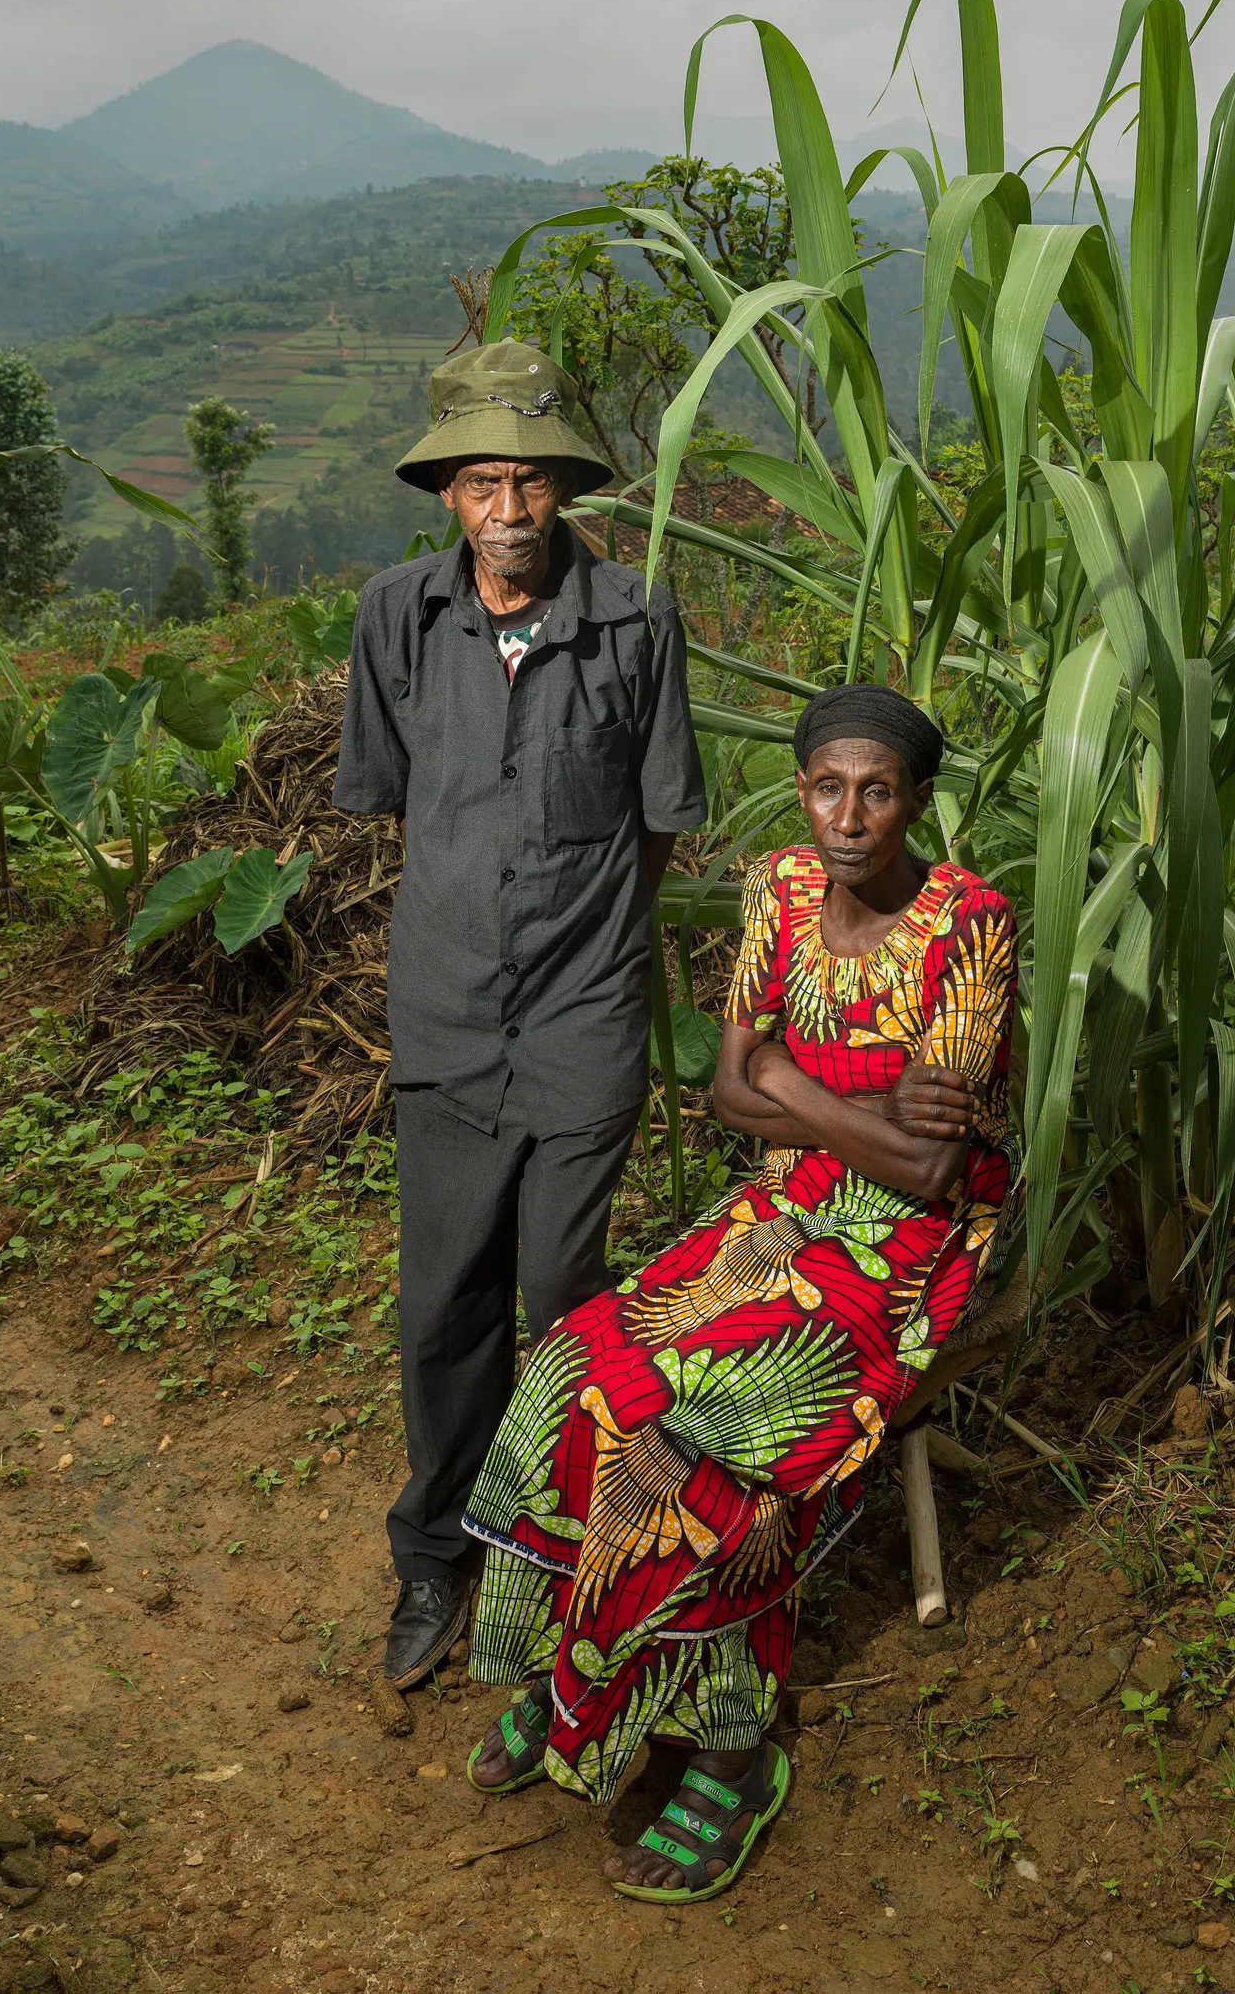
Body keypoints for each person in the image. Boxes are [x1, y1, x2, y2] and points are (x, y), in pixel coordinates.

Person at [460, 682, 1017, 1905]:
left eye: (879, 791)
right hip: (781, 1208)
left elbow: (929, 1166)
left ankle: (729, 1745)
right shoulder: (777, 889)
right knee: (573, 1365)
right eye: (829, 786)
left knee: (711, 1434)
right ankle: (575, 1671)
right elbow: (725, 1094)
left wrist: (791, 1081)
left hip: (911, 1243)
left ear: (917, 800)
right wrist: (824, 1101)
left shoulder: (967, 922)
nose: (850, 815)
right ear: (804, 789)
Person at [333, 338, 707, 1689]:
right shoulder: (398, 617)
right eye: (482, 481)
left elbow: (659, 825)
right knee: (441, 1302)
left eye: (532, 482)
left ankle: (560, 1548)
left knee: (564, 1294)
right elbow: (395, 807)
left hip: (585, 1015)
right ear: (447, 493)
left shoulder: (635, 620)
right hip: (443, 1011)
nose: (507, 510)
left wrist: (585, 938)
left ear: (566, 492)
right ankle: (435, 1557)